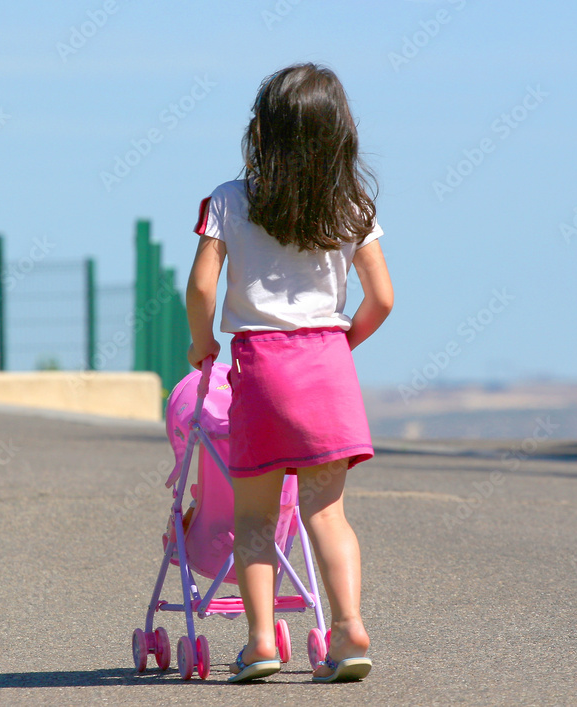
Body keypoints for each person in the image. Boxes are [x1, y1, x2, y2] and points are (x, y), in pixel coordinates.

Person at [185, 63, 394, 683]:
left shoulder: (229, 200)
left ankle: (260, 644)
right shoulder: (353, 206)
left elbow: (201, 287)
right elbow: (382, 298)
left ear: (263, 131)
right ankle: (349, 629)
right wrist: (341, 344)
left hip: (263, 369)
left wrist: (203, 344)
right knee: (327, 513)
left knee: (254, 518)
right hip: (329, 366)